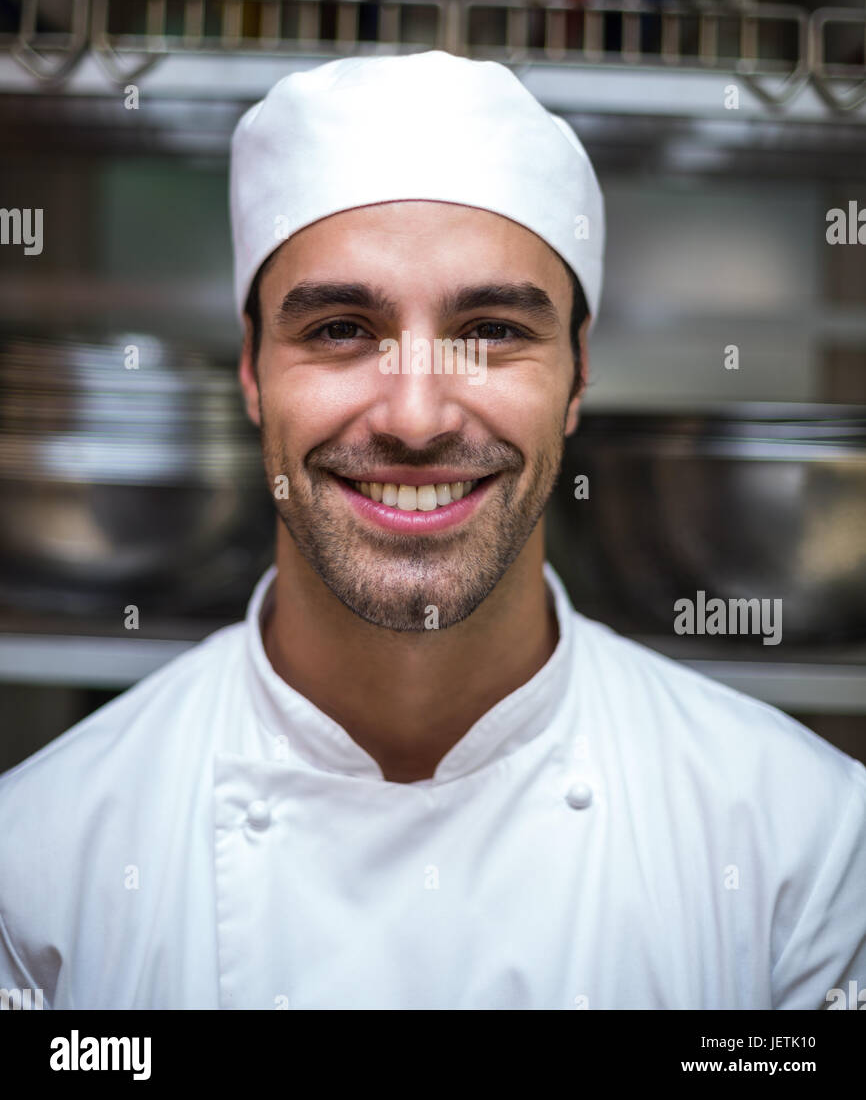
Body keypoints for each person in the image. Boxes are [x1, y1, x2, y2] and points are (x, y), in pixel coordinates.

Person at [0, 51, 864, 1010]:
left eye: (492, 329)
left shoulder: (807, 853)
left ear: (578, 376)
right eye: (339, 328)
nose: (415, 418)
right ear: (250, 368)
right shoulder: (38, 874)